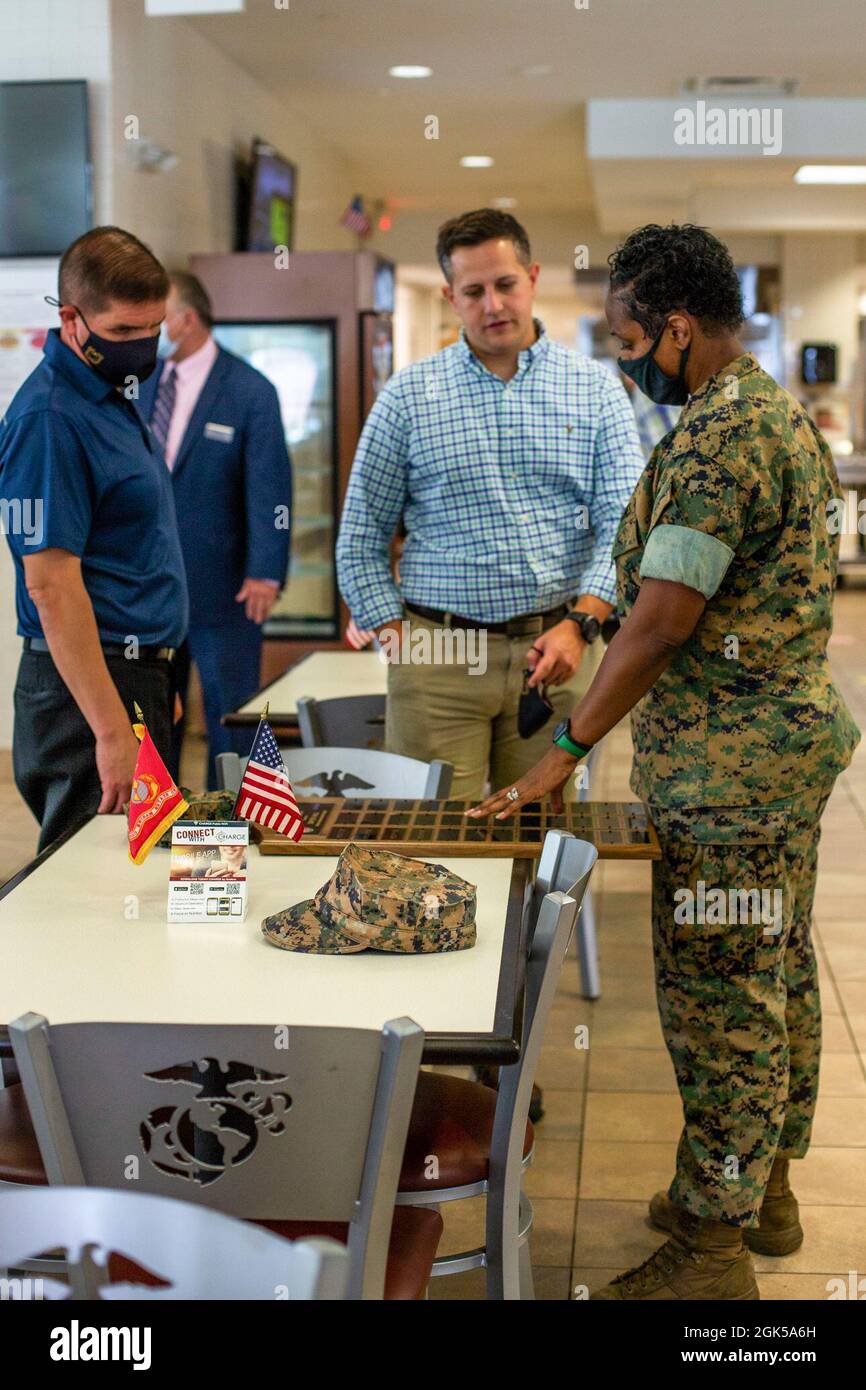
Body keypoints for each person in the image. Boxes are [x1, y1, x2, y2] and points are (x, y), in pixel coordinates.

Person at [468, 223, 860, 1300]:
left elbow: (659, 621)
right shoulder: (766, 411)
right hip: (779, 753)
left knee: (721, 1001)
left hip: (729, 776)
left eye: (631, 336)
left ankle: (710, 1247)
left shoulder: (716, 443)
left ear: (679, 329)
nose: (624, 355)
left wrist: (565, 748)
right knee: (773, 970)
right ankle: (759, 1190)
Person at [336, 209, 645, 800]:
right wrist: (396, 638)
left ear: (530, 277)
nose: (493, 305)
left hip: (556, 653)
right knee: (429, 846)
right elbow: (359, 537)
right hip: (439, 655)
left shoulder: (596, 388)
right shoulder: (408, 395)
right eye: (474, 291)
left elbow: (624, 527)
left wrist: (583, 623)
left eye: (505, 285)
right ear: (452, 297)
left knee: (542, 842)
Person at [0, 226, 188, 852]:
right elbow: (49, 586)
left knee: (145, 884)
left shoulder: (111, 395)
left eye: (153, 329)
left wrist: (162, 676)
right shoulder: (48, 418)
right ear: (73, 319)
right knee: (97, 888)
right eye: (125, 333)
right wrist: (112, 730)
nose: (142, 346)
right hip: (88, 694)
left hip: (134, 678)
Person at [139, 272, 292, 788]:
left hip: (226, 590)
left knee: (231, 720)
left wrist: (267, 572)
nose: (150, 330)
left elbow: (271, 490)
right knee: (154, 721)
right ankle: (154, 836)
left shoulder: (249, 390)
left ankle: (223, 847)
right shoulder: (142, 385)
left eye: (158, 317)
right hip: (151, 591)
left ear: (186, 319)